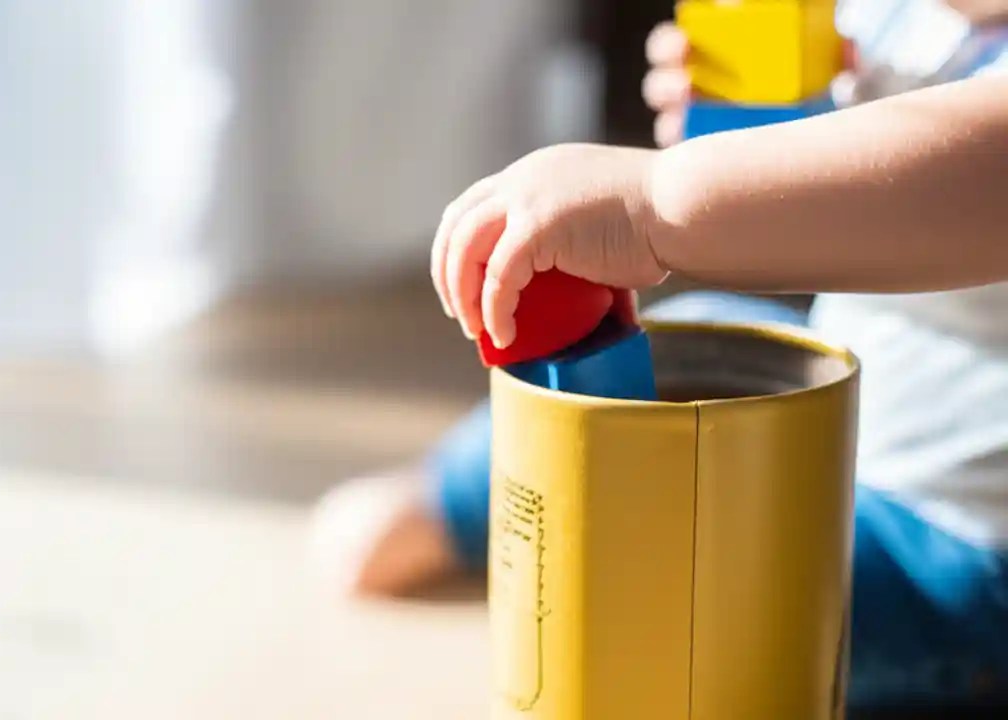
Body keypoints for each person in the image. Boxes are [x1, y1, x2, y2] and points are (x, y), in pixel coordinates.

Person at [309, 0, 1008, 708]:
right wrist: (760, 141)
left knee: (682, 612)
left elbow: (976, 180)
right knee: (694, 336)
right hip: (857, 421)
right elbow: (861, 195)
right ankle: (460, 495)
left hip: (958, 547)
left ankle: (497, 515)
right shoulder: (913, 15)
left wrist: (658, 199)